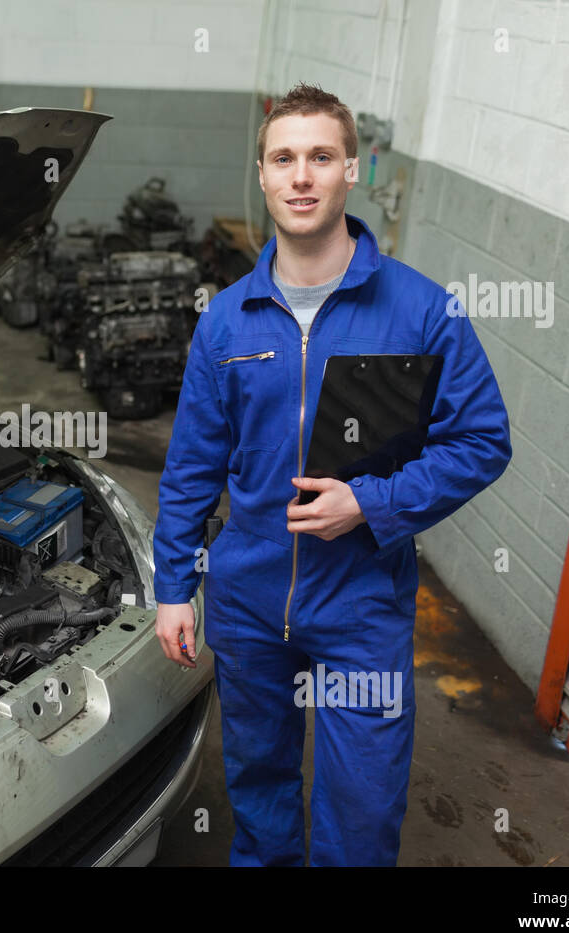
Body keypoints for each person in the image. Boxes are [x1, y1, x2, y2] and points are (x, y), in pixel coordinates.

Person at [152, 83, 512, 866]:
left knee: (362, 806)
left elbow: (482, 440)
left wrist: (371, 503)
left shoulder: (422, 311)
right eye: (283, 158)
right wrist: (174, 586)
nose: (301, 176)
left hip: (360, 603)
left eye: (321, 156)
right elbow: (191, 466)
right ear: (262, 173)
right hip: (247, 598)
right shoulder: (227, 320)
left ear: (353, 169)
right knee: (258, 785)